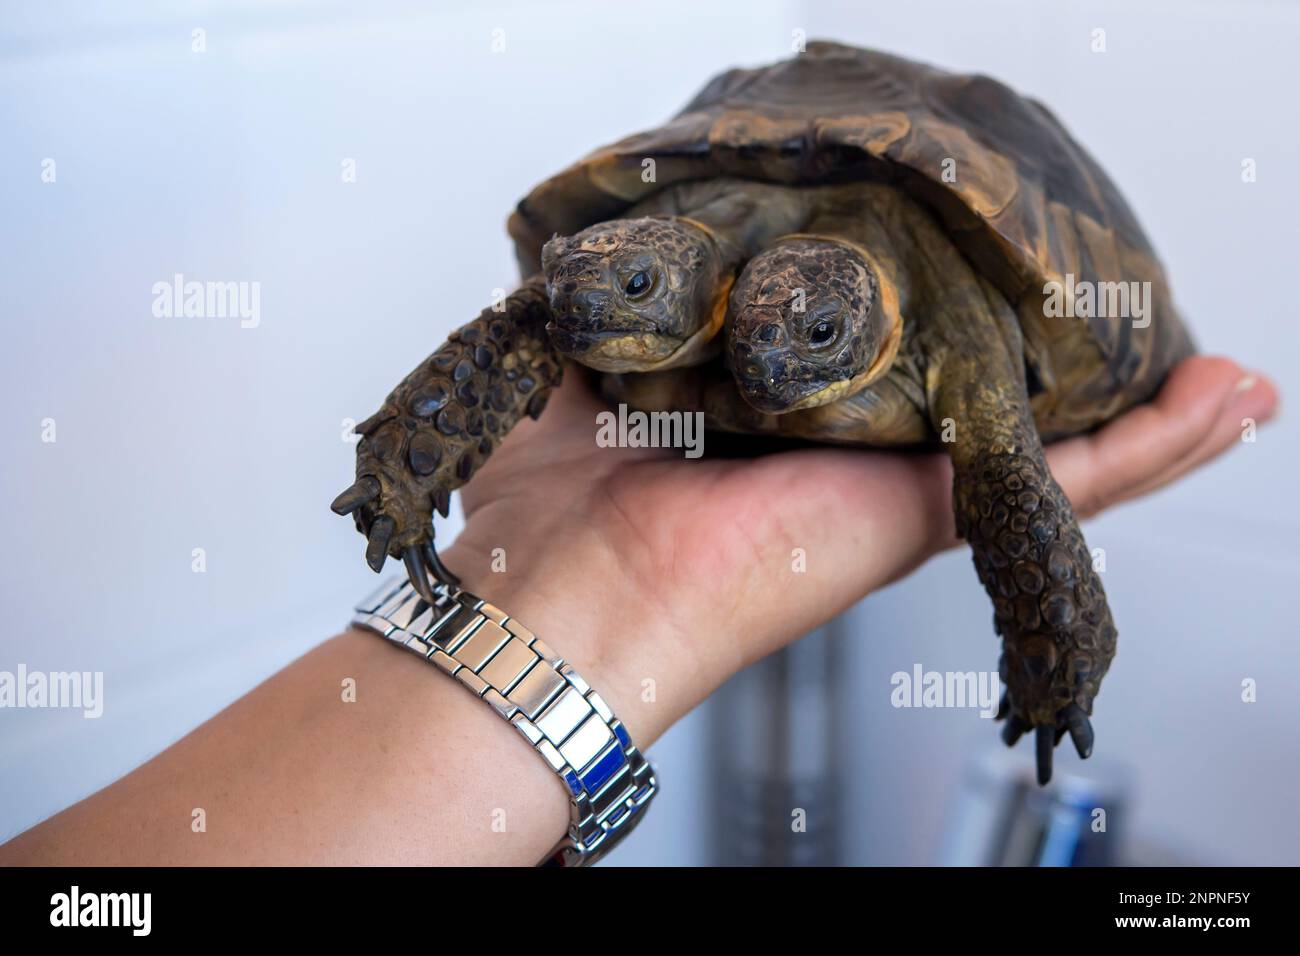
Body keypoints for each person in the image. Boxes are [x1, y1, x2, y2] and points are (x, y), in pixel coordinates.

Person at [0, 357, 1277, 866]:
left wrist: (1052, 650)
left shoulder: (957, 354)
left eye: (816, 331)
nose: (775, 353)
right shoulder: (630, 298)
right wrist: (461, 496)